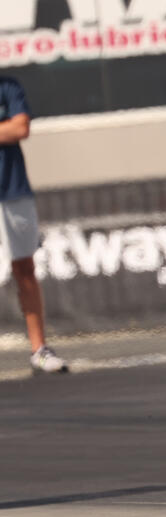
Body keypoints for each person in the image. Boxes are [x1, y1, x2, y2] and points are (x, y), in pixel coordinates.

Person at [0, 76, 67, 374]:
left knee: (24, 269)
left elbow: (20, 128)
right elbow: (10, 128)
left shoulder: (8, 87)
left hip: (12, 191)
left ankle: (39, 350)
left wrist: (11, 128)